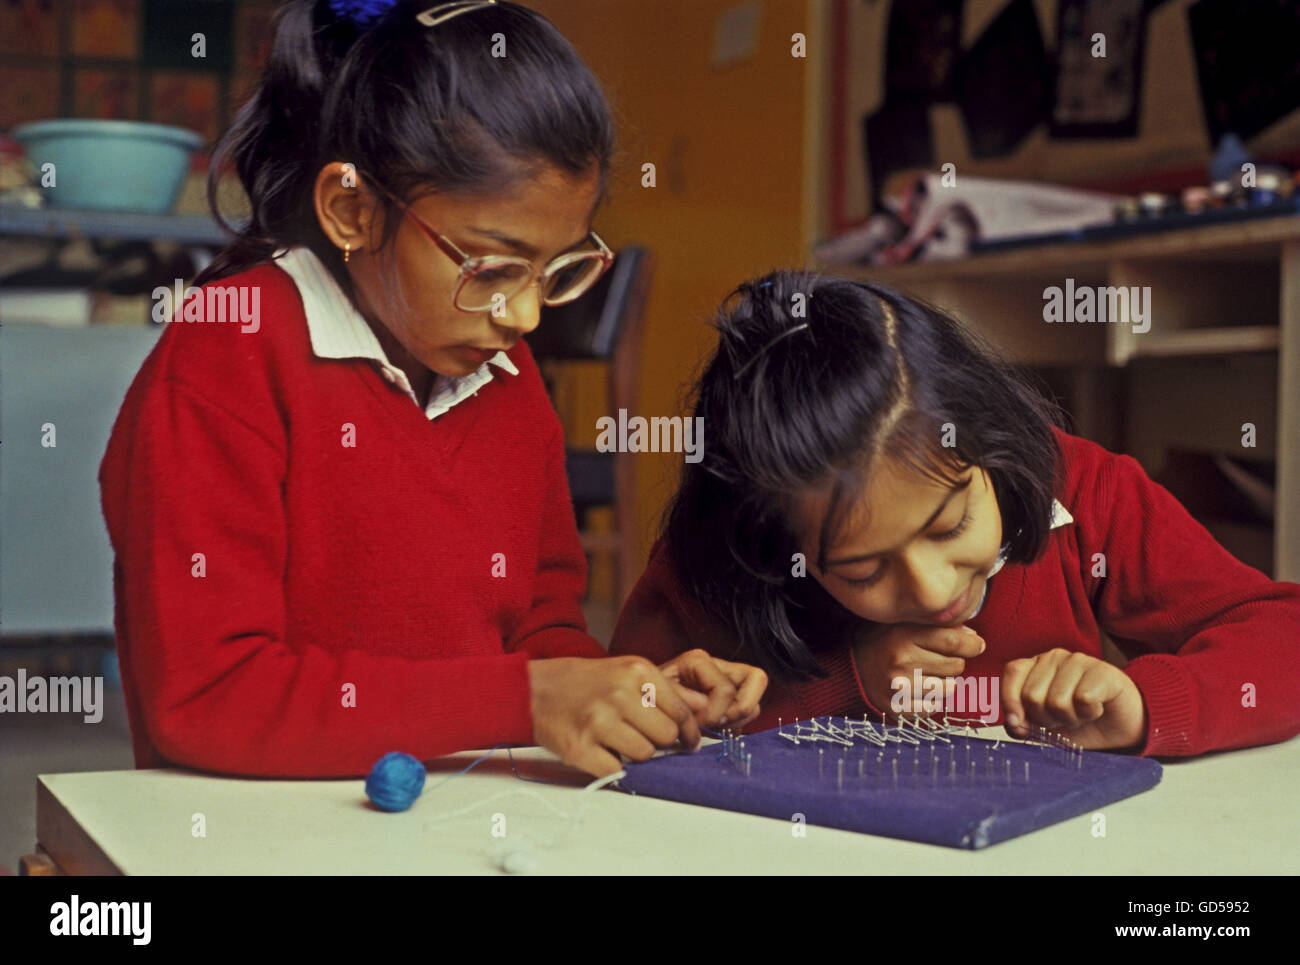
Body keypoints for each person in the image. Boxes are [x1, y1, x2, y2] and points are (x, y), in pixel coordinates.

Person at [99, 0, 763, 780]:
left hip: (456, 822)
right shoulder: (228, 348)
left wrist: (628, 692)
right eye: (489, 267)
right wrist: (527, 697)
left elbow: (539, 631)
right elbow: (209, 697)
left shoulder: (507, 384)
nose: (522, 316)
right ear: (353, 208)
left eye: (555, 271)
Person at [610, 269, 1300, 757]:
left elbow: (1283, 636)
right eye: (863, 566)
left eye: (951, 525)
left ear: (991, 442)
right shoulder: (727, 547)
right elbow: (628, 713)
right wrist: (847, 682)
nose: (935, 590)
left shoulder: (1086, 491)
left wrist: (1147, 703)